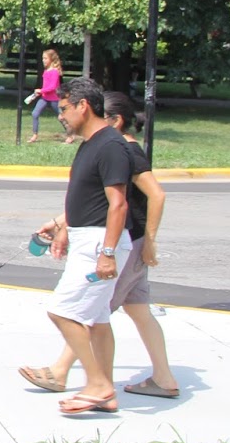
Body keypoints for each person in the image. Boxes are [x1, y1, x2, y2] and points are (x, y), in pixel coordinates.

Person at [19, 92, 179, 398]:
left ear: (114, 120)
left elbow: (153, 196)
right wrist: (62, 223)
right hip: (126, 241)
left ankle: (64, 373)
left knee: (88, 310)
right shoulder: (106, 148)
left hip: (124, 242)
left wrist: (150, 243)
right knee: (136, 310)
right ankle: (163, 377)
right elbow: (93, 198)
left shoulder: (124, 150)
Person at [29, 77, 132, 415]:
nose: (60, 115)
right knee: (97, 321)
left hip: (100, 244)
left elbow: (118, 205)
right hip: (87, 238)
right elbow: (87, 199)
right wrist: (61, 225)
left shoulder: (111, 145)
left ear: (82, 105)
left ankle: (98, 384)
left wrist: (107, 253)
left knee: (62, 310)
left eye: (64, 108)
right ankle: (106, 392)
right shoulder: (91, 143)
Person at [26, 49, 62, 143]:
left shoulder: (54, 72)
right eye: (43, 58)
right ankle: (34, 135)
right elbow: (46, 86)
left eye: (45, 58)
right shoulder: (46, 71)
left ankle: (71, 134)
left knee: (61, 117)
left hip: (54, 99)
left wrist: (41, 90)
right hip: (45, 98)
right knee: (35, 113)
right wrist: (38, 93)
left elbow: (53, 87)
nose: (43, 60)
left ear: (51, 59)